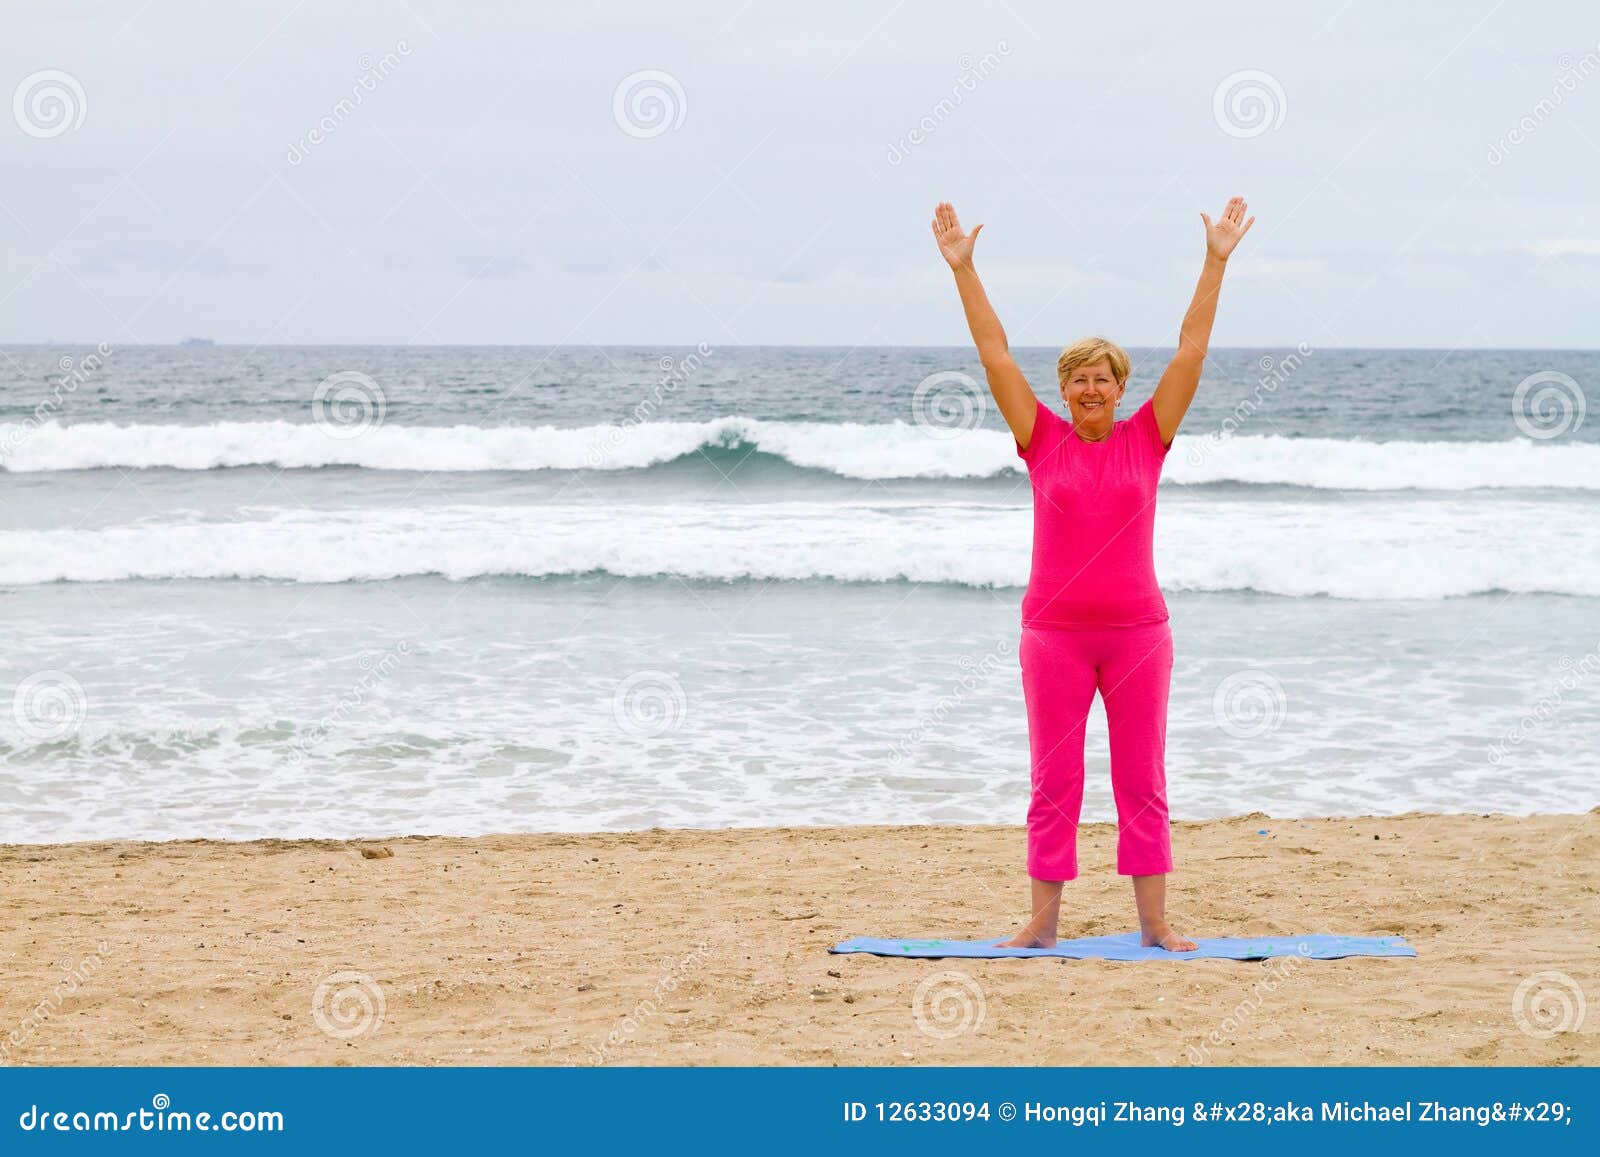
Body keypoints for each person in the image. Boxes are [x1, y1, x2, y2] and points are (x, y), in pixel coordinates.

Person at [931, 197, 1255, 950]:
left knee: (1142, 783)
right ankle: (1042, 926)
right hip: (1054, 636)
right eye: (1077, 377)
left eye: (1102, 378)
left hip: (1140, 634)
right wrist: (964, 269)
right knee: (1055, 785)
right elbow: (997, 356)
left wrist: (1215, 260)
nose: (1089, 388)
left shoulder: (1149, 438)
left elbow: (1190, 353)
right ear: (1065, 387)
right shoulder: (1041, 438)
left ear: (1120, 387)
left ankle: (1156, 925)